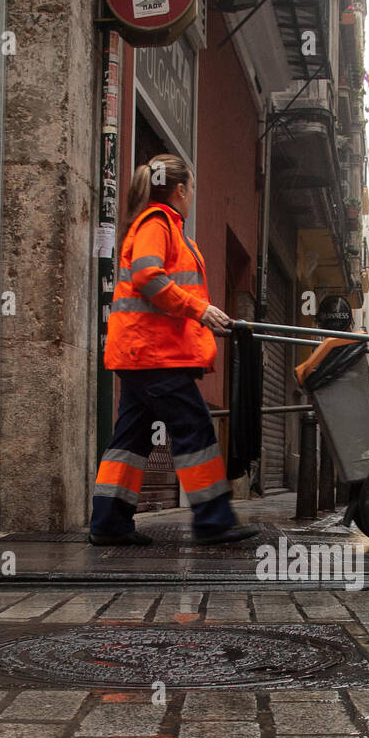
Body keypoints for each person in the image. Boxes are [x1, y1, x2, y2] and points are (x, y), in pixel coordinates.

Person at [89, 153, 258, 547]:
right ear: (180, 190)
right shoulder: (157, 223)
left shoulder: (165, 226)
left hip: (143, 353)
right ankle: (214, 520)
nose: (193, 195)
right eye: (193, 188)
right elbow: (149, 275)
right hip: (154, 355)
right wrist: (200, 310)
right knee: (194, 428)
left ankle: (109, 522)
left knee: (130, 441)